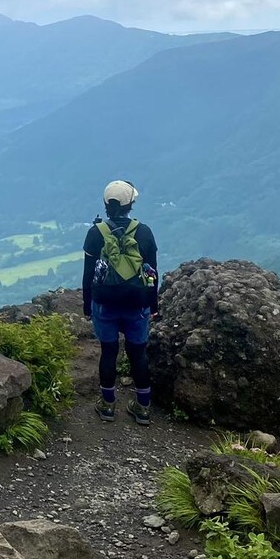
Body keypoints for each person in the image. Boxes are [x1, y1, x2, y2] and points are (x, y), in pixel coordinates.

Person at [81, 180, 160, 425]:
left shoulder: (96, 233)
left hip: (105, 304)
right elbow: (151, 272)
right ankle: (143, 408)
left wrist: (87, 306)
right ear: (131, 204)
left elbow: (88, 274)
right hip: (137, 304)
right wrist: (153, 305)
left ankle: (107, 406)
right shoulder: (144, 232)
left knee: (108, 351)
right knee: (138, 354)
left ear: (106, 204)